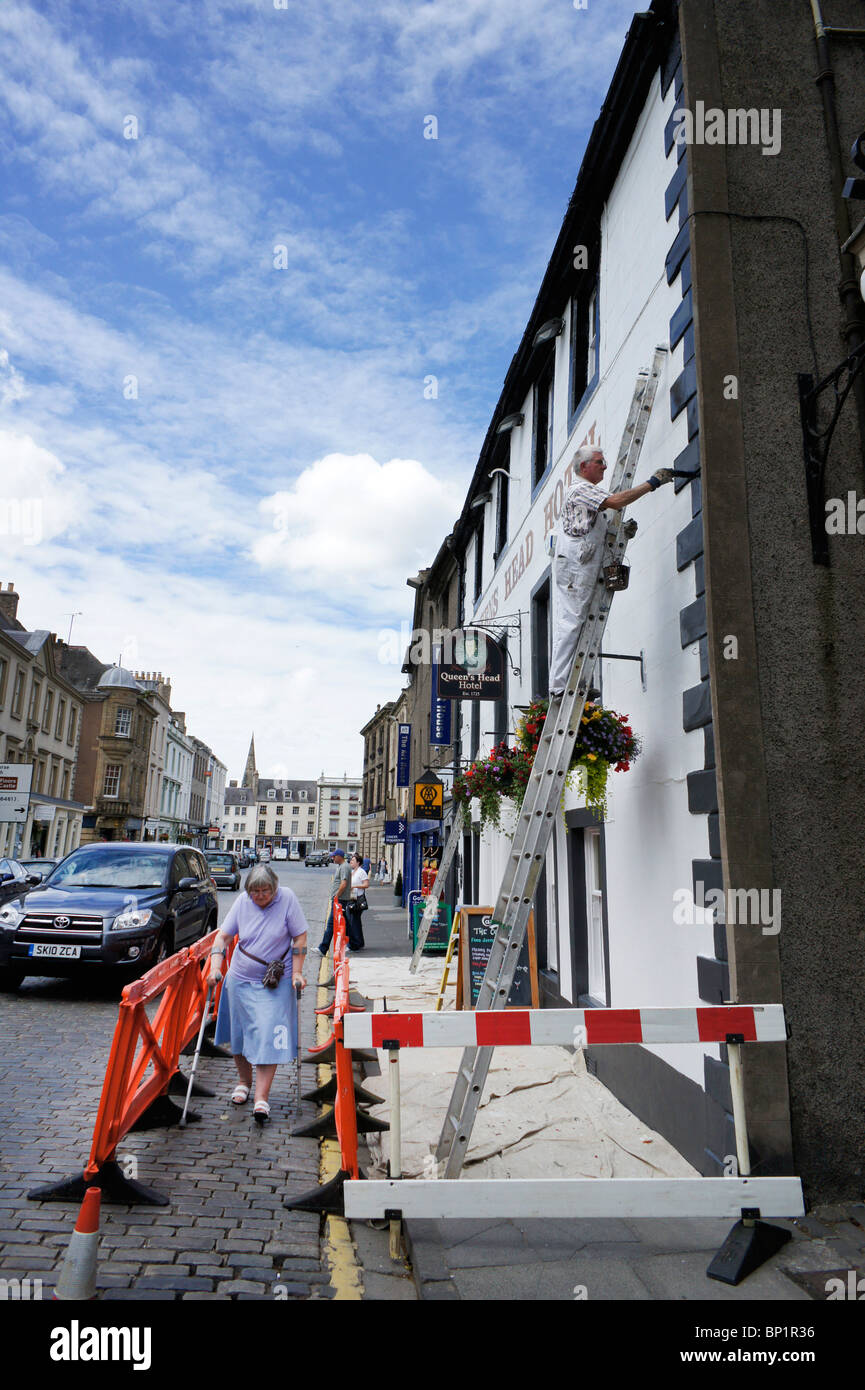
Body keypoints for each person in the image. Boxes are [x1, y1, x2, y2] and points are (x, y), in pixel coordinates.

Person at [548, 446, 673, 697]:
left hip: (582, 565)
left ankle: (574, 681)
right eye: (599, 462)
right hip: (575, 567)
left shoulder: (592, 494)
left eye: (604, 462)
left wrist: (623, 532)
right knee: (570, 622)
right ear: (584, 467)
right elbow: (615, 502)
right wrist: (652, 482)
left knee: (579, 622)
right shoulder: (580, 489)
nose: (604, 466)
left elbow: (599, 529)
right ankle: (559, 687)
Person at [208, 863, 308, 1125]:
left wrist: (297, 972)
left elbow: (299, 938)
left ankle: (261, 1097)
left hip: (275, 981)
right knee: (238, 1032)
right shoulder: (242, 902)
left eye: (265, 891)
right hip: (240, 978)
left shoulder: (287, 899)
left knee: (268, 1033)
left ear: (274, 888)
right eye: (256, 891)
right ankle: (244, 1081)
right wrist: (216, 967)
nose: (261, 896)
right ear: (248, 890)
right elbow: (222, 938)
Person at [316, 848, 351, 956]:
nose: (333, 858)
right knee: (345, 923)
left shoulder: (344, 867)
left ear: (340, 856)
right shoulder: (341, 866)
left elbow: (344, 884)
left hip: (340, 900)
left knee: (331, 924)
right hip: (340, 899)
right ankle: (353, 943)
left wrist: (336, 896)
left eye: (334, 856)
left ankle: (323, 949)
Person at [346, 851, 369, 951]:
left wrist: (355, 886)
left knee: (353, 922)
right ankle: (359, 942)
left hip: (358, 900)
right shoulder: (352, 872)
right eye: (351, 860)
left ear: (358, 862)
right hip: (352, 898)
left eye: (353, 860)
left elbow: (366, 885)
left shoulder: (361, 872)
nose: (351, 861)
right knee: (355, 922)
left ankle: (354, 944)